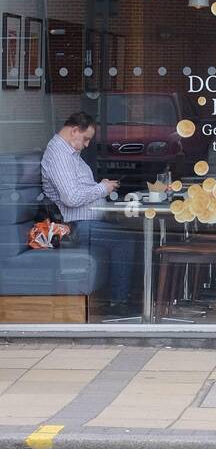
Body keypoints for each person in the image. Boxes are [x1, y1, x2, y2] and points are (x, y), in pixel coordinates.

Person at [41, 111, 135, 311]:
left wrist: (101, 186)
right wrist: (102, 189)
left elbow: (78, 189)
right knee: (126, 240)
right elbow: (71, 198)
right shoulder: (60, 155)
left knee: (127, 232)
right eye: (85, 139)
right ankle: (119, 302)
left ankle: (121, 298)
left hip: (85, 223)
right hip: (75, 227)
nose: (87, 144)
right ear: (74, 130)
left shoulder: (71, 155)